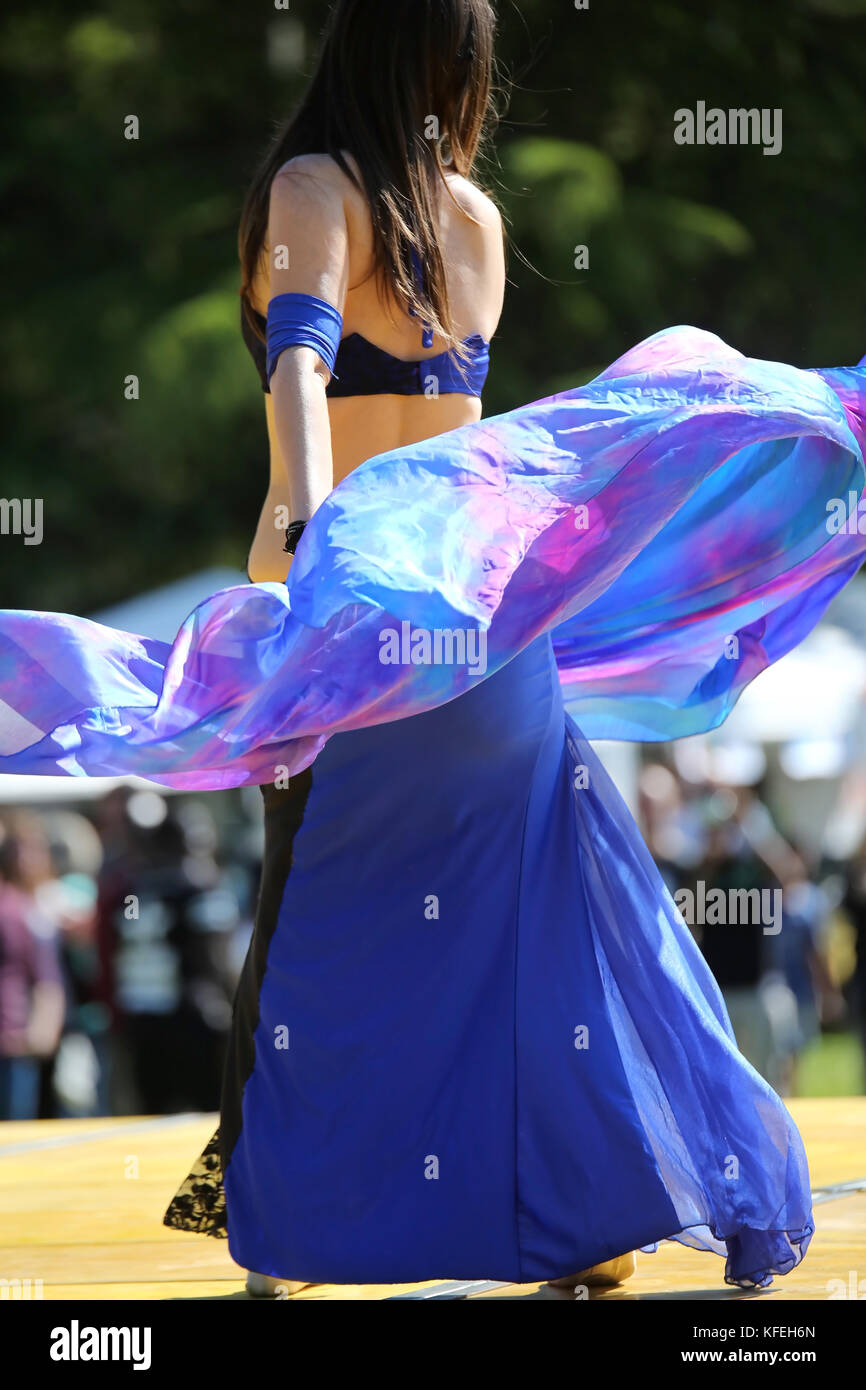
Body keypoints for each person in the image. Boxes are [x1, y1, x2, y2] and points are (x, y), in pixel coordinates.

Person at [2, 0, 865, 1292]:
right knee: (537, 935)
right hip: (481, 638)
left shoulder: (310, 187)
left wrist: (306, 529)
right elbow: (461, 436)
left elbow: (301, 370)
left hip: (362, 638)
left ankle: (287, 1239)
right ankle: (586, 1229)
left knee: (322, 932)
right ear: (451, 69)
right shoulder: (473, 220)